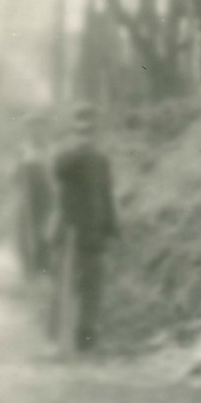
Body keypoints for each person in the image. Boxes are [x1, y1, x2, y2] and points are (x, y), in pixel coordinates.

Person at [48, 104, 118, 353]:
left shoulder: (101, 161)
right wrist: (78, 147)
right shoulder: (68, 157)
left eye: (91, 129)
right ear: (73, 131)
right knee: (67, 285)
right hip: (72, 232)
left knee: (93, 289)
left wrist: (112, 228)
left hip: (94, 233)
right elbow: (58, 170)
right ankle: (61, 341)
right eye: (81, 129)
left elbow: (106, 195)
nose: (87, 134)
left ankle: (86, 339)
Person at [14, 113, 56, 284]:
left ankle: (44, 267)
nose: (36, 131)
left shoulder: (51, 148)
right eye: (32, 128)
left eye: (40, 127)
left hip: (47, 196)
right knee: (25, 231)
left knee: (45, 230)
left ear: (44, 129)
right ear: (28, 130)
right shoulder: (23, 149)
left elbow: (55, 173)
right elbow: (15, 176)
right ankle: (29, 270)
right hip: (28, 196)